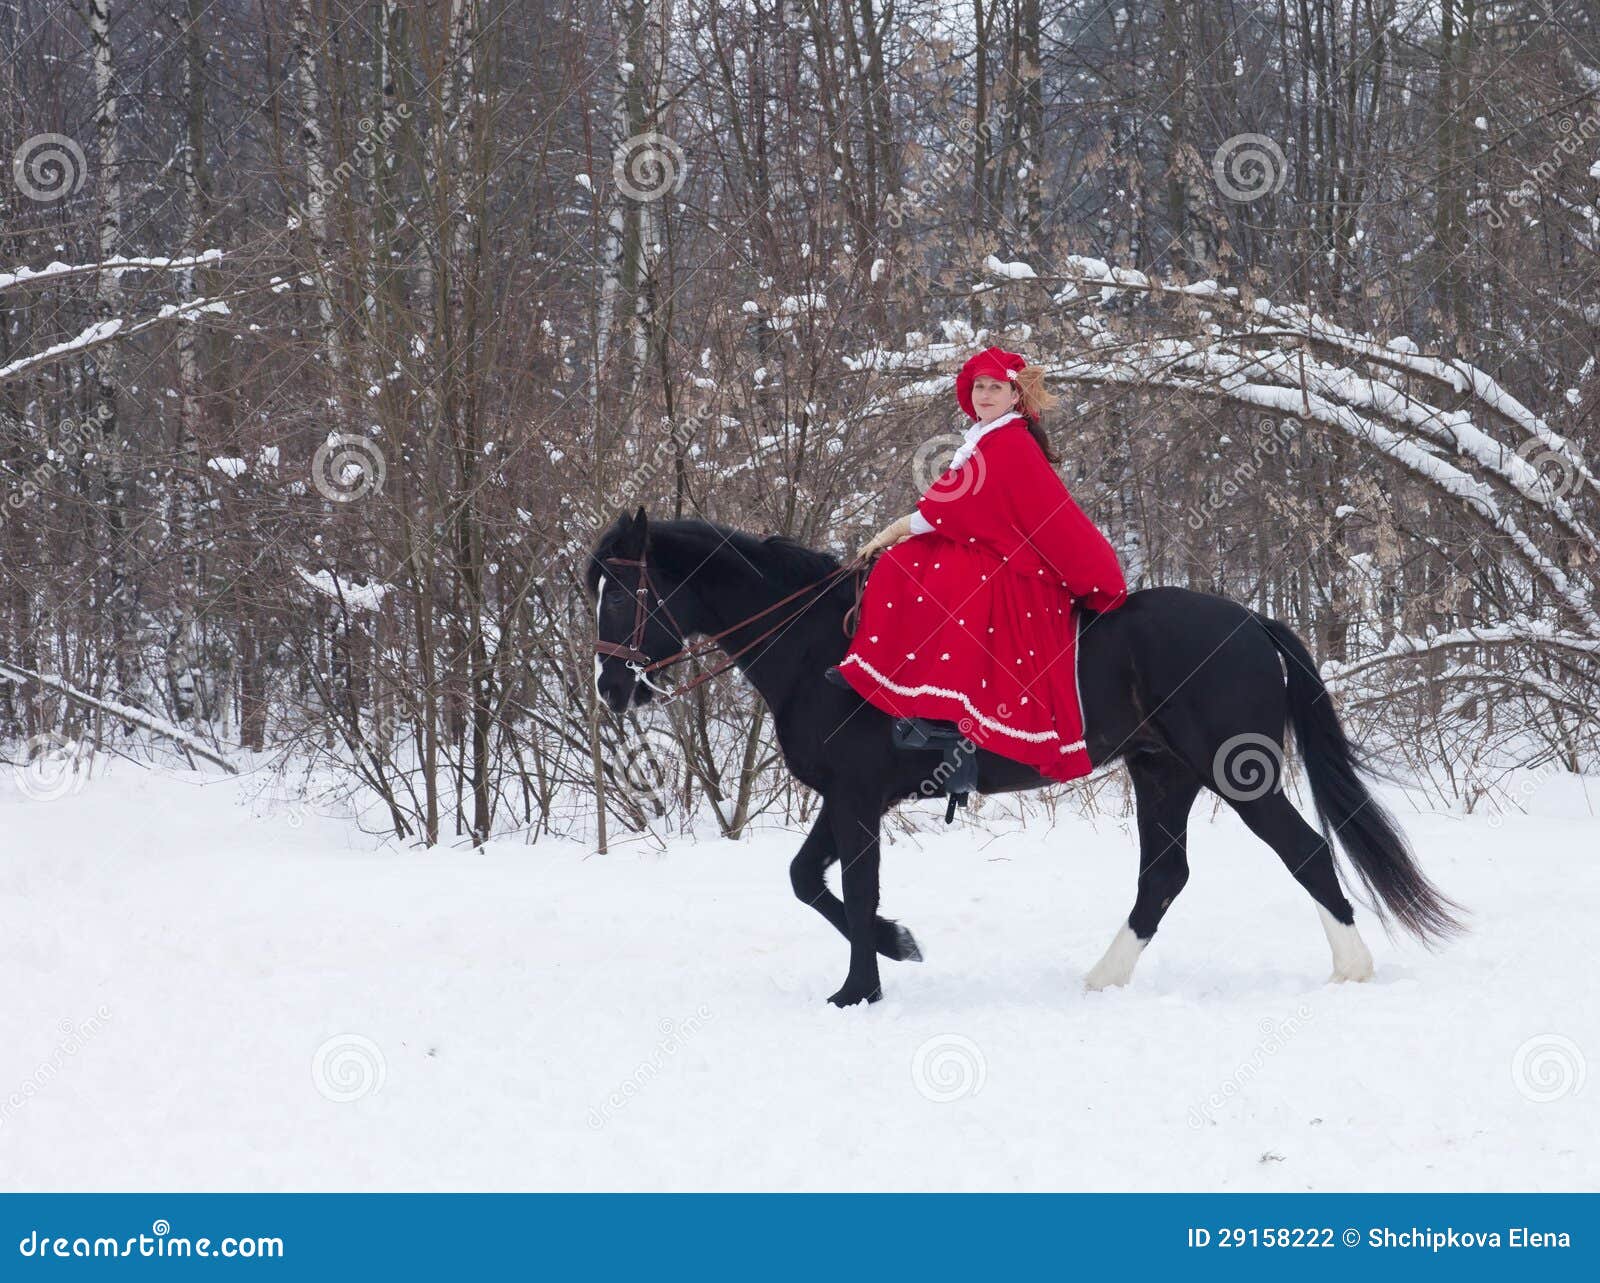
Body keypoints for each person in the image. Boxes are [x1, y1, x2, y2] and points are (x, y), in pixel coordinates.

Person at [825, 345, 1128, 783]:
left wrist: (897, 527)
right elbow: (965, 511)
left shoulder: (1008, 442)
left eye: (996, 387)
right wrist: (909, 530)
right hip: (1000, 549)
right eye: (980, 387)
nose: (986, 394)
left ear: (1013, 396)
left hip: (1021, 567)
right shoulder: (989, 437)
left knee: (923, 570)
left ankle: (943, 708)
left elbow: (958, 508)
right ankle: (897, 683)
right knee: (906, 562)